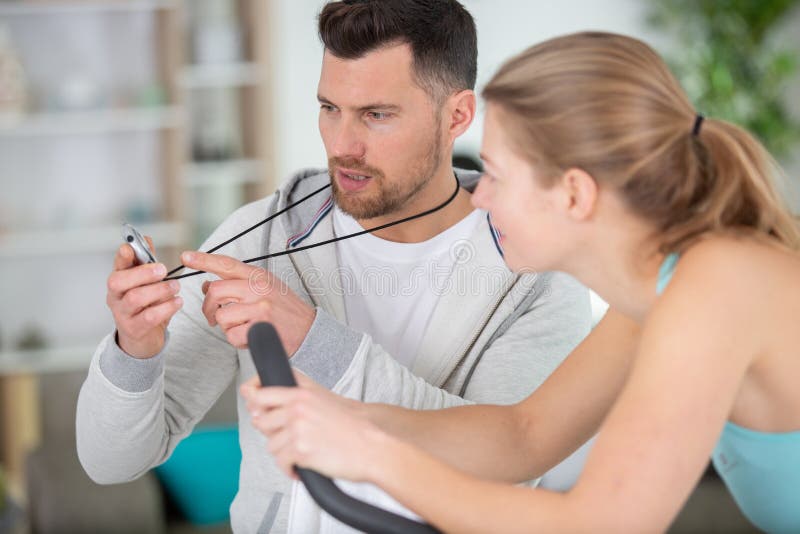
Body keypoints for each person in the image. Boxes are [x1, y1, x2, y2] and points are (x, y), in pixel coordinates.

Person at [244, 31, 800, 533]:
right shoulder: (658, 295)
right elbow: (523, 436)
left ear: (574, 195)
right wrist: (349, 416)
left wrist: (371, 454)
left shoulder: (715, 289)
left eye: (498, 175)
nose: (478, 196)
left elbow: (600, 523)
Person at [76, 2, 591, 533]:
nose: (343, 146)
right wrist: (133, 352)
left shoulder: (538, 274)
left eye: (377, 114)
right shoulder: (263, 234)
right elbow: (108, 462)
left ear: (457, 115)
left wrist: (314, 341)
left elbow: (505, 475)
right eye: (329, 108)